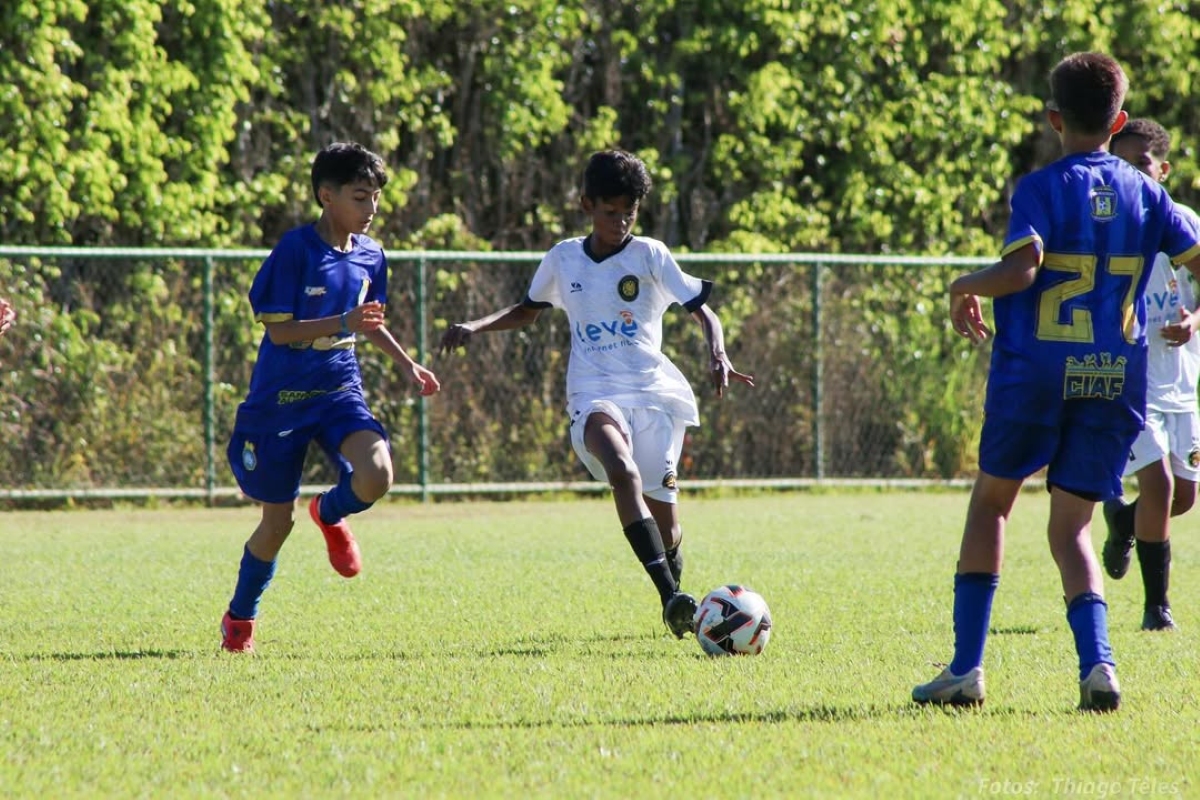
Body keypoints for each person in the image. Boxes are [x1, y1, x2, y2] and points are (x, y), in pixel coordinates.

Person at [912, 53, 1200, 712]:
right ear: (1119, 120)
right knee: (1071, 528)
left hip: (1035, 373)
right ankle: (1098, 667)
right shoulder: (1148, 193)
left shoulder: (1041, 187)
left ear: (1052, 118)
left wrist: (964, 285)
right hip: (1112, 377)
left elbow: (1022, 270)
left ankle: (965, 670)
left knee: (992, 505)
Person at [439, 149, 753, 638]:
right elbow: (528, 310)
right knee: (621, 471)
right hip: (593, 394)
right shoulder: (564, 257)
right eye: (611, 211)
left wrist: (719, 352)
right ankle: (670, 598)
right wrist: (475, 326)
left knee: (668, 528)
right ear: (586, 204)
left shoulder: (650, 254)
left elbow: (703, 310)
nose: (621, 221)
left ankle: (675, 584)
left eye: (630, 210)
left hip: (653, 395)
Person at [220, 142, 441, 653]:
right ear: (326, 196)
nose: (371, 208)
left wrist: (407, 364)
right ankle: (240, 619)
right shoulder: (295, 250)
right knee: (276, 524)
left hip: (339, 385)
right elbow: (280, 334)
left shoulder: (371, 254)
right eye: (360, 197)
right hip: (281, 397)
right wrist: (342, 322)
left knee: (378, 473)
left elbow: (368, 321)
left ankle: (331, 511)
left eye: (376, 198)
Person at [1102, 118, 1200, 632]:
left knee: (1183, 498)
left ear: (1162, 169)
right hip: (1133, 380)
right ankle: (1156, 608)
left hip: (1182, 384)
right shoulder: (1110, 224)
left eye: (1142, 164)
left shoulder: (1184, 221)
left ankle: (1122, 520)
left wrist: (1193, 319)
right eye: (1122, 163)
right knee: (1159, 486)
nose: (1132, 174)